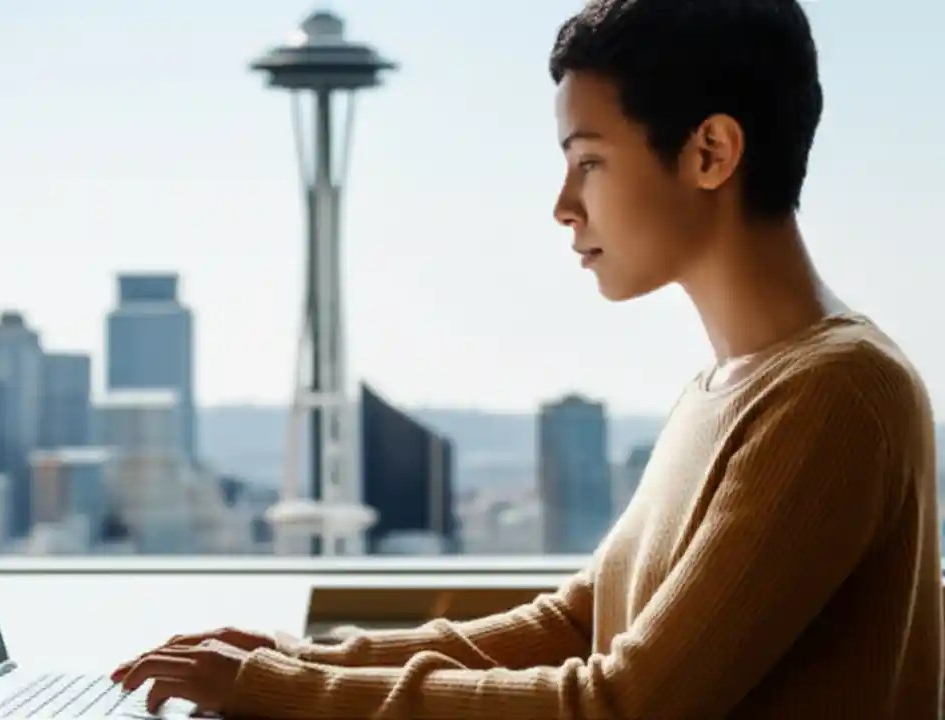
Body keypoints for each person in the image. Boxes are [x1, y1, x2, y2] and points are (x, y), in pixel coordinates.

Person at [112, 0, 943, 717]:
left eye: (589, 161)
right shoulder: (722, 387)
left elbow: (622, 703)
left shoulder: (838, 395)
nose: (563, 205)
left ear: (710, 154)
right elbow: (578, 621)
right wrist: (305, 658)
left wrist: (284, 691)